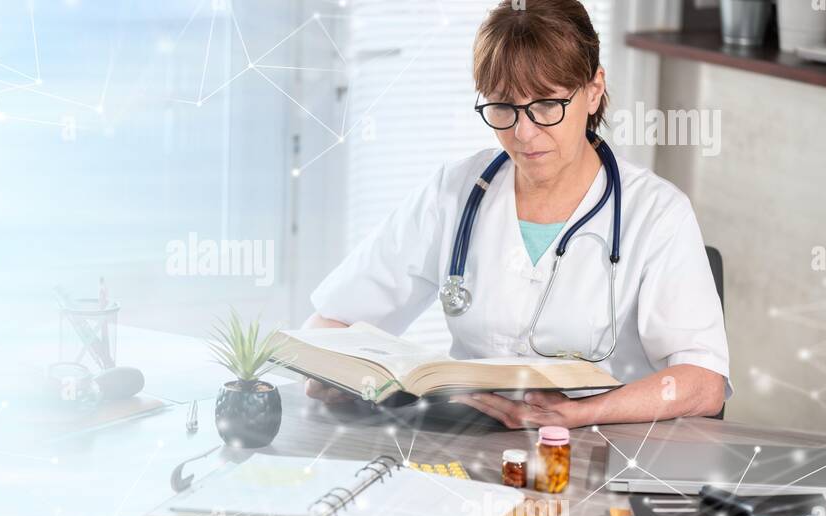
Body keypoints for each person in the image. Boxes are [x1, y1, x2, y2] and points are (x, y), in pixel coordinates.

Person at [304, 0, 729, 429]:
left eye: (547, 105)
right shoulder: (453, 192)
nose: (523, 133)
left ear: (593, 89)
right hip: (467, 445)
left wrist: (579, 414)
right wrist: (333, 371)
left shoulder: (657, 213)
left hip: (604, 450)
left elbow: (703, 382)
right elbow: (332, 319)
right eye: (503, 107)